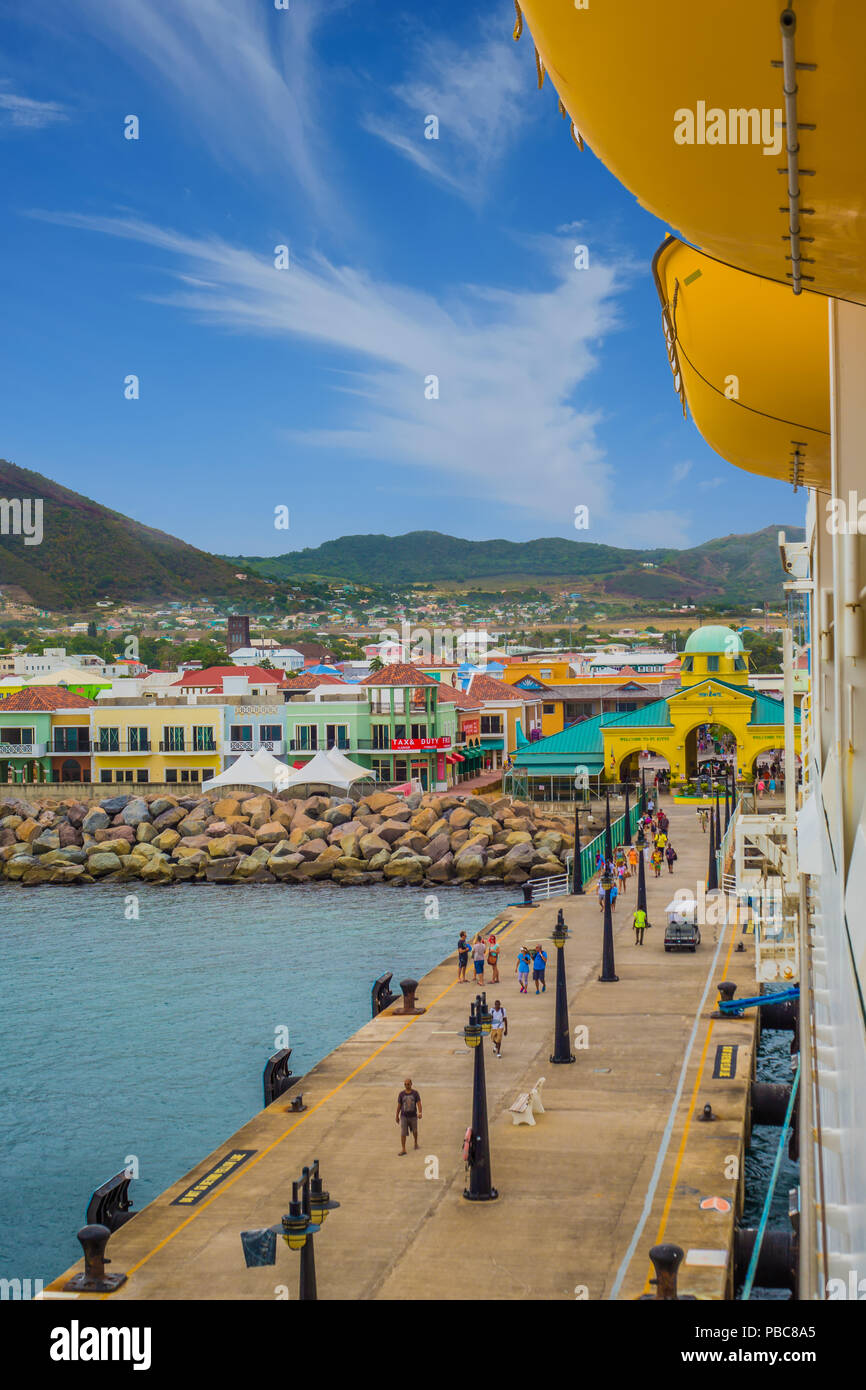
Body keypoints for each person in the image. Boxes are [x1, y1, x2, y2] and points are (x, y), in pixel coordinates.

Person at [396, 1078, 422, 1155]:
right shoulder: (401, 1094)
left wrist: (420, 1112)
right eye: (405, 1084)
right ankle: (403, 1149)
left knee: (415, 1131)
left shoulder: (415, 1093)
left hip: (413, 1116)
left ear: (411, 1084)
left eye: (408, 1084)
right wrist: (397, 1115)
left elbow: (419, 1103)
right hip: (404, 1116)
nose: (407, 1086)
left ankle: (415, 1143)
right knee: (403, 1133)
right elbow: (399, 1105)